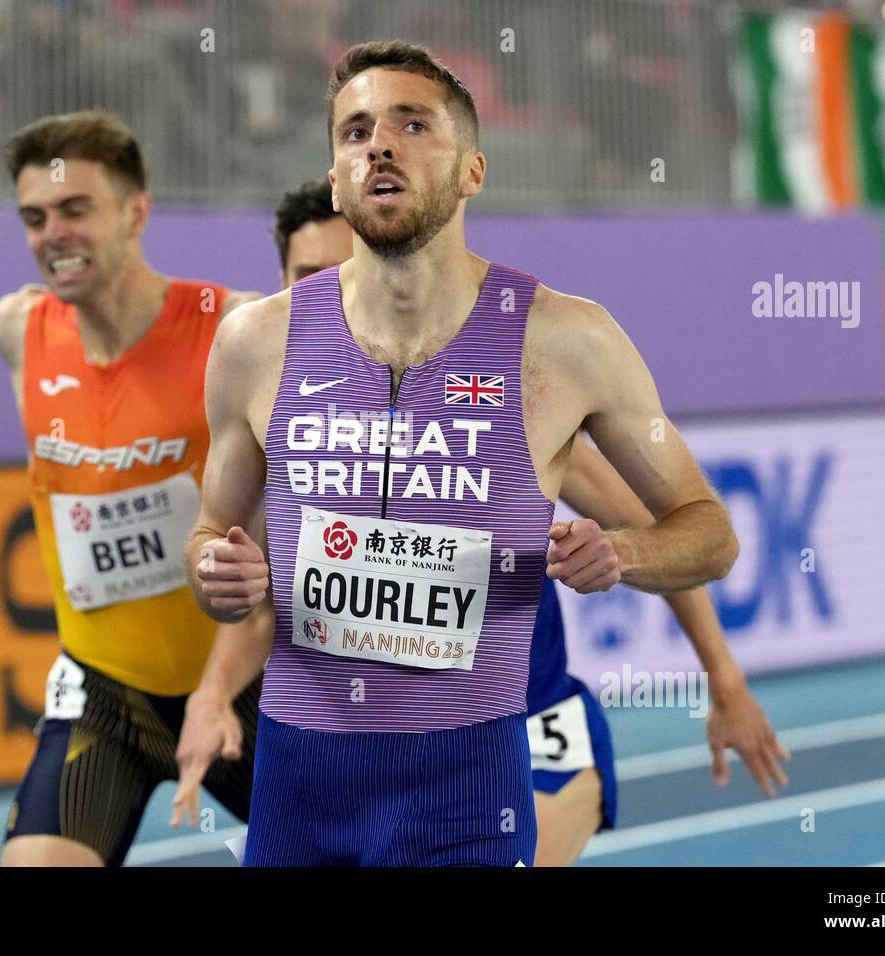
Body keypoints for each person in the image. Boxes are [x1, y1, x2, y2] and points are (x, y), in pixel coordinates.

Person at [186, 42, 741, 867]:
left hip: (465, 790)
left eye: (413, 125)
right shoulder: (252, 345)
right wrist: (216, 576)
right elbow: (210, 543)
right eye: (355, 131)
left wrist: (620, 552)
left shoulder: (568, 340)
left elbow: (710, 534)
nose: (380, 145)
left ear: (474, 170)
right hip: (298, 789)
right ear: (337, 178)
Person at [0, 109, 262, 867]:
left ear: (137, 211)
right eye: (35, 217)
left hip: (245, 685)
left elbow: (268, 543)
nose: (54, 234)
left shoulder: (233, 330)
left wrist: (214, 692)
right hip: (104, 692)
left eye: (76, 209)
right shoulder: (17, 331)